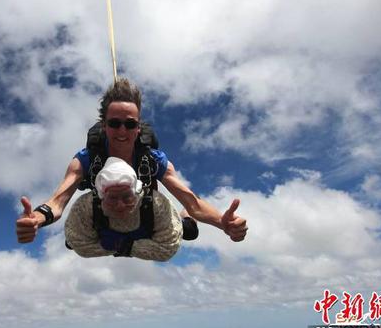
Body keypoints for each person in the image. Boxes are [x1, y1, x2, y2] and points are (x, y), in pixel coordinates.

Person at [16, 78, 248, 245]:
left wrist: (222, 223)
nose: (122, 131)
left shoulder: (152, 160)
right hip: (108, 210)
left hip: (141, 208)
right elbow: (58, 201)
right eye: (115, 123)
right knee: (74, 240)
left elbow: (193, 202)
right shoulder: (87, 159)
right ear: (104, 125)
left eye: (129, 124)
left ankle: (182, 219)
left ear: (138, 128)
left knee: (189, 232)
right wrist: (36, 219)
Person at [64, 156, 182, 261]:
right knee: (70, 242)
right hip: (96, 230)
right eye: (113, 198)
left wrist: (126, 246)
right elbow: (80, 246)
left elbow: (168, 248)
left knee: (187, 229)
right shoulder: (85, 206)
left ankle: (186, 218)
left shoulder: (158, 203)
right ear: (102, 197)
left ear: (136, 193)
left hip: (151, 228)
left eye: (127, 197)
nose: (120, 205)